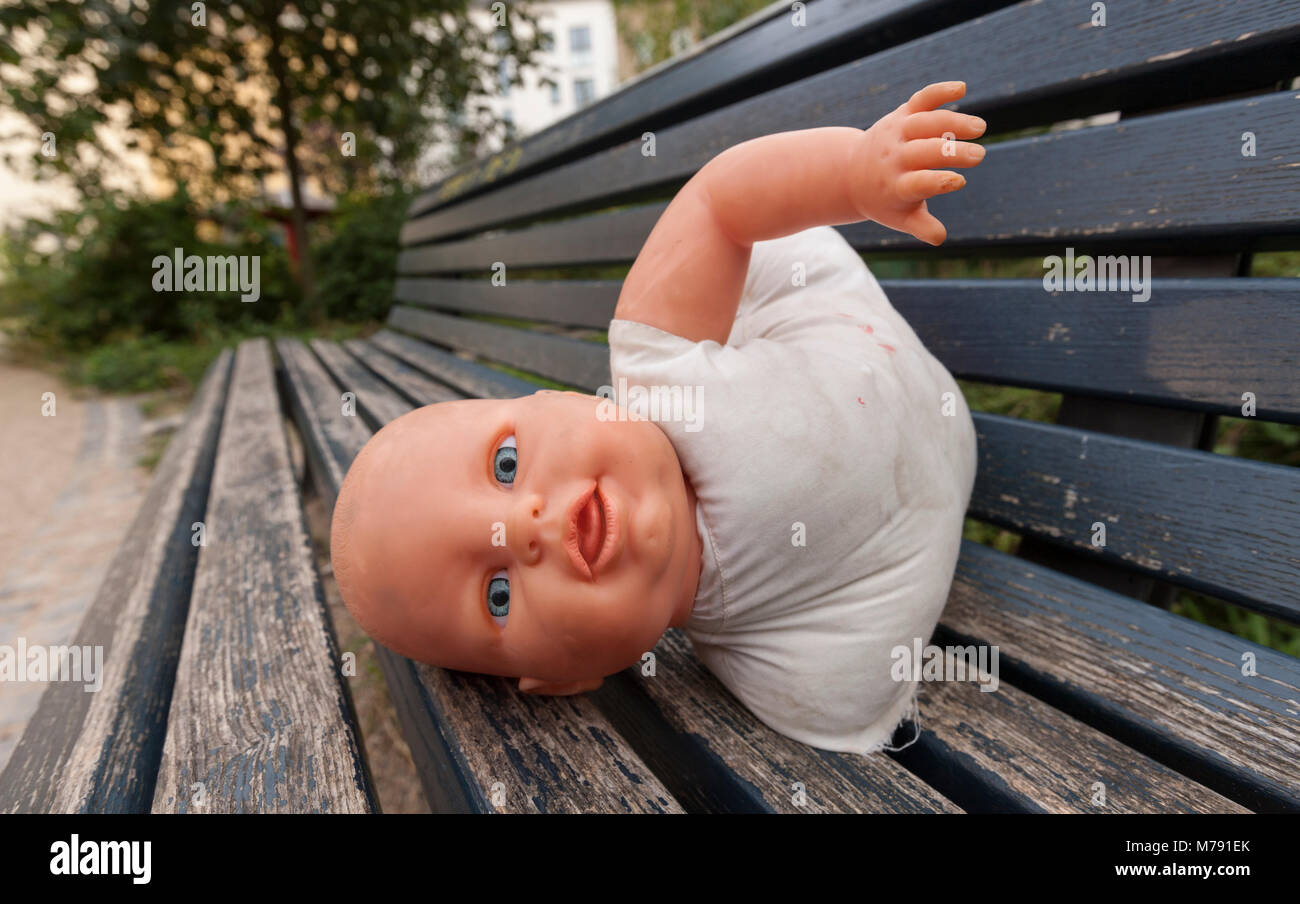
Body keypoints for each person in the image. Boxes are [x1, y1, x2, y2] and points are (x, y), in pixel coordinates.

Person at [330, 81, 985, 753]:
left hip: (840, 328)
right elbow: (851, 694)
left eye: (506, 464)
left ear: (554, 398)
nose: (523, 526)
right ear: (565, 677)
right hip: (954, 455)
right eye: (498, 595)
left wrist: (854, 174)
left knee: (771, 255)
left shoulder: (661, 364)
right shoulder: (771, 665)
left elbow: (721, 203)